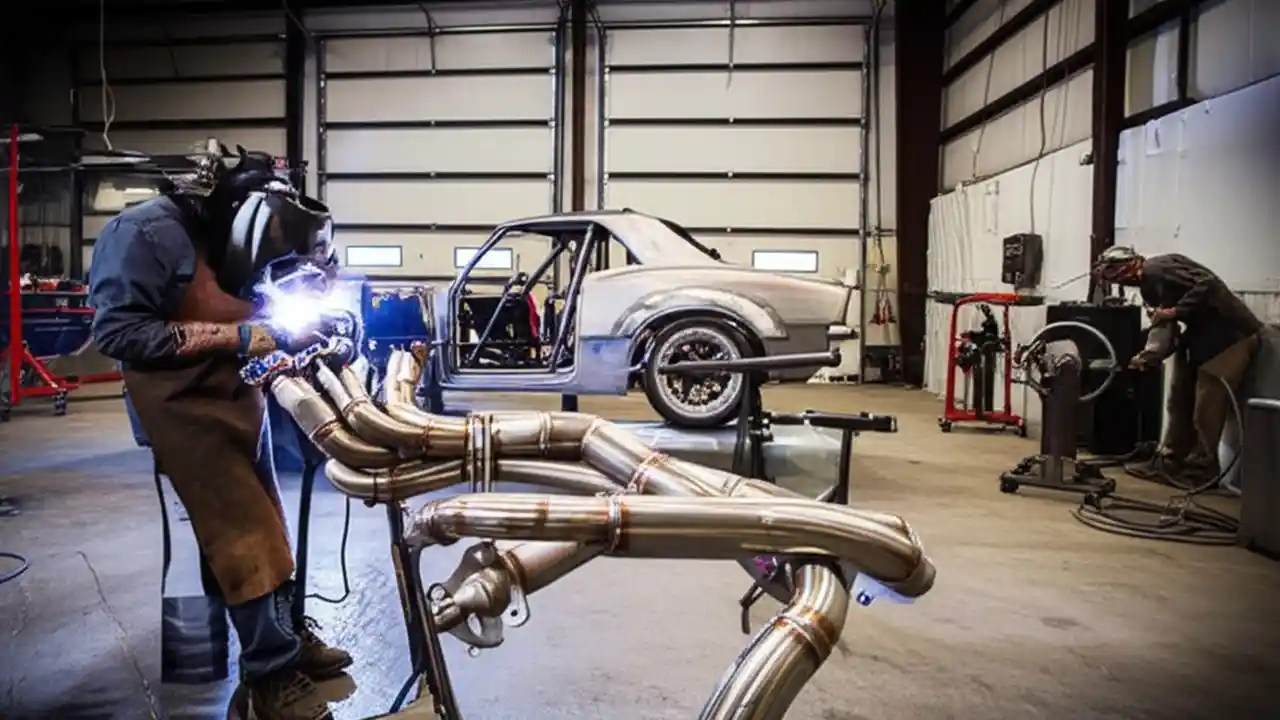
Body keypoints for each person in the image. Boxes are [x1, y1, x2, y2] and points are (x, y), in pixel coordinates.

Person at [87, 142, 352, 720]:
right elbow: (120, 336)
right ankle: (269, 677)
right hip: (178, 407)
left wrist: (301, 328)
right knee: (243, 536)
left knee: (272, 522)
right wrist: (246, 339)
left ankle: (286, 636)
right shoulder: (141, 236)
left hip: (236, 394)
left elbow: (259, 301)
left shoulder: (233, 236)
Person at [1092, 246, 1262, 486]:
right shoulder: (1149, 285)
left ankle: (1202, 470)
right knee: (1178, 398)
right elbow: (1165, 325)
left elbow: (1208, 283)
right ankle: (1171, 461)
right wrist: (1150, 356)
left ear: (1126, 267)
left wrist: (1177, 311)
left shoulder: (1156, 269)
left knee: (1207, 406)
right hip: (1200, 336)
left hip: (1231, 337)